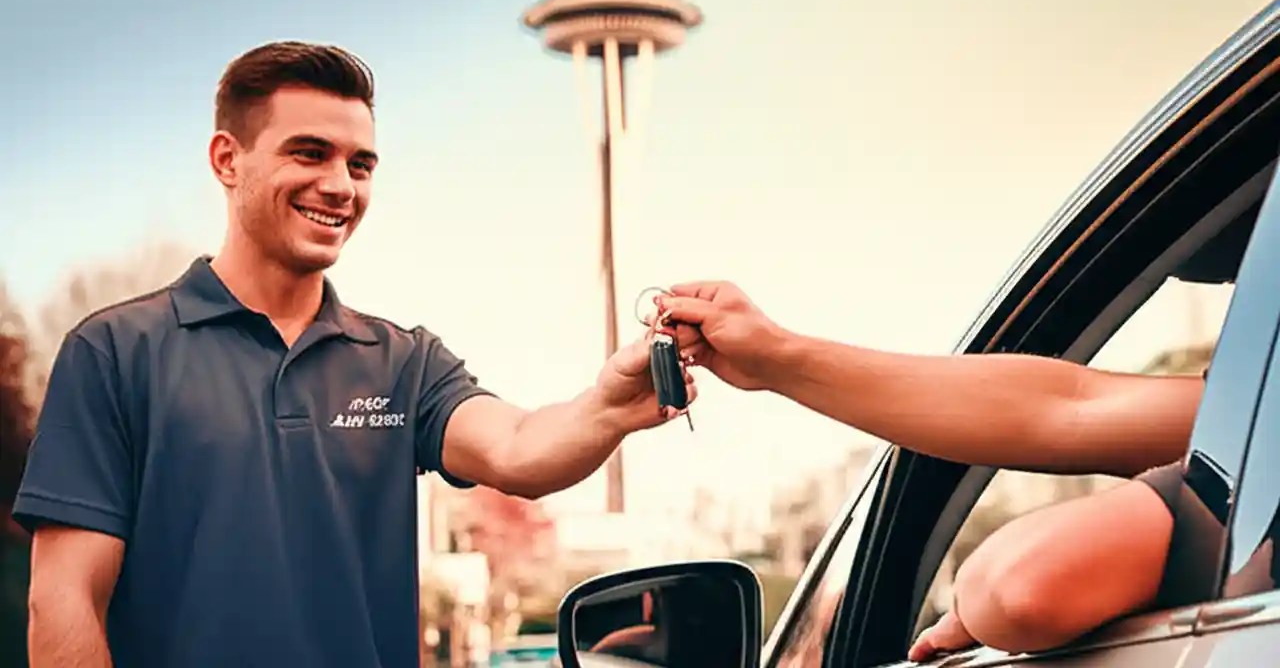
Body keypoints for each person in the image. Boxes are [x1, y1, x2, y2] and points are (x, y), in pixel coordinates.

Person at [11, 41, 695, 668]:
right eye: (309, 153)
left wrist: (608, 407)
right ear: (228, 159)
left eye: (360, 164)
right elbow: (64, 599)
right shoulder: (115, 353)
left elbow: (518, 447)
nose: (341, 185)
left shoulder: (402, 361)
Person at [651, 280, 1211, 660]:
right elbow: (1071, 406)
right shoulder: (1252, 404)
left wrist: (970, 613)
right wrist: (774, 354)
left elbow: (1023, 587)